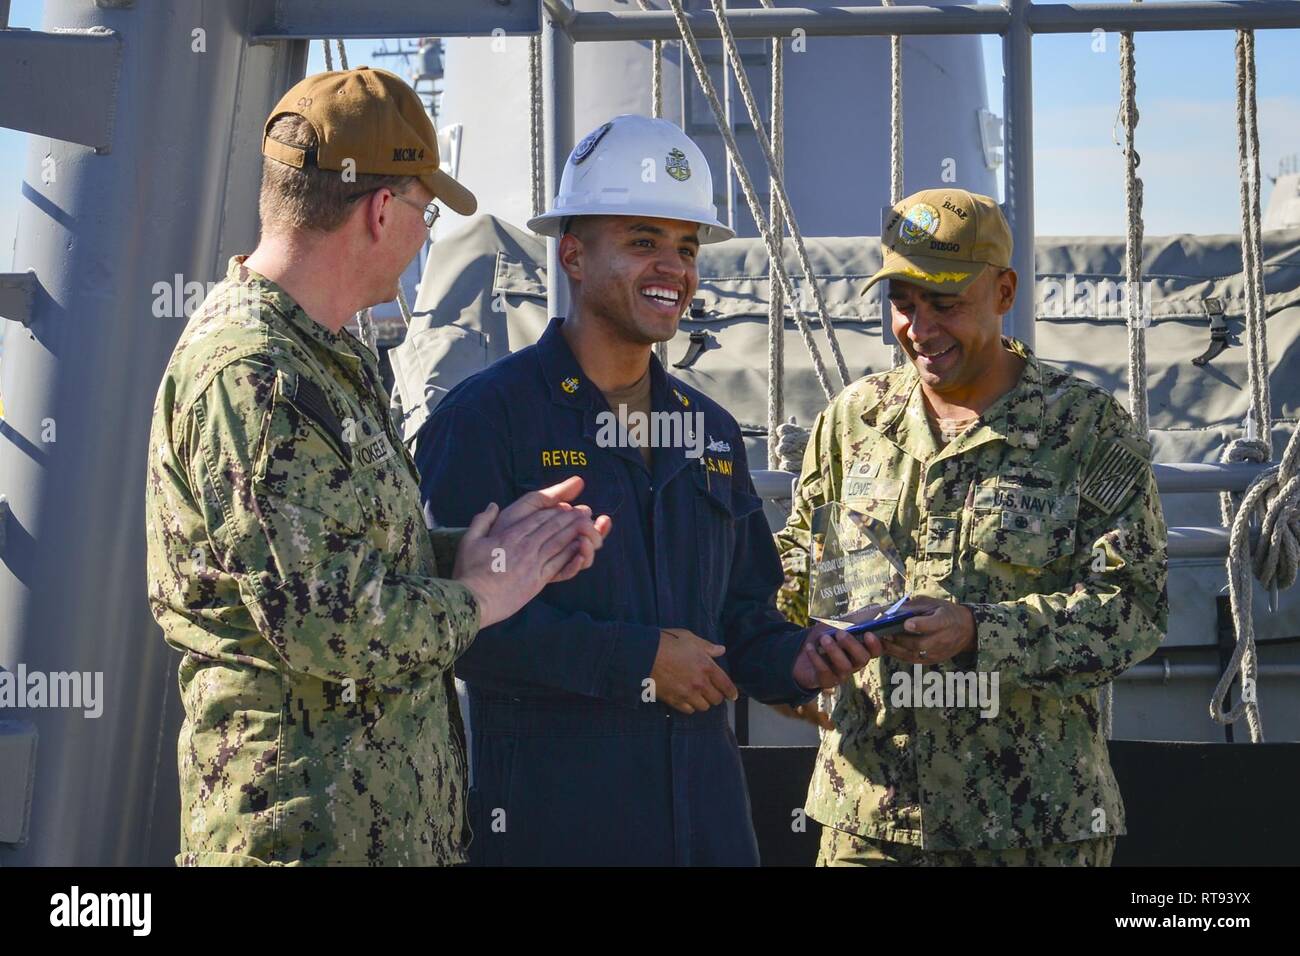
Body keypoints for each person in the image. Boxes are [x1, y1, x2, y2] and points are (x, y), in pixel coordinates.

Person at [144, 67, 607, 866]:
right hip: (303, 839)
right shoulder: (257, 376)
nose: (425, 235)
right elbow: (328, 624)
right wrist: (480, 595)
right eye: (425, 212)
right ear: (381, 209)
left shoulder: (322, 355)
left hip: (372, 831)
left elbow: (332, 558)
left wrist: (484, 549)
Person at [417, 114, 874, 866]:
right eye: (642, 241)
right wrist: (635, 660)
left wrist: (798, 656)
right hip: (555, 832)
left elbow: (740, 619)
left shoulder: (713, 434)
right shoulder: (484, 422)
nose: (674, 268)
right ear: (572, 254)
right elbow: (454, 631)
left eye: (687, 248)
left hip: (708, 831)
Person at [774, 187, 1168, 866]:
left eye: (946, 303)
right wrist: (802, 638)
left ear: (1004, 289)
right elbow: (800, 570)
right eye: (903, 301)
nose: (919, 328)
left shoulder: (1086, 430)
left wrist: (979, 632)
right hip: (870, 819)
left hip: (1033, 827)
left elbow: (1134, 611)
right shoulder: (852, 422)